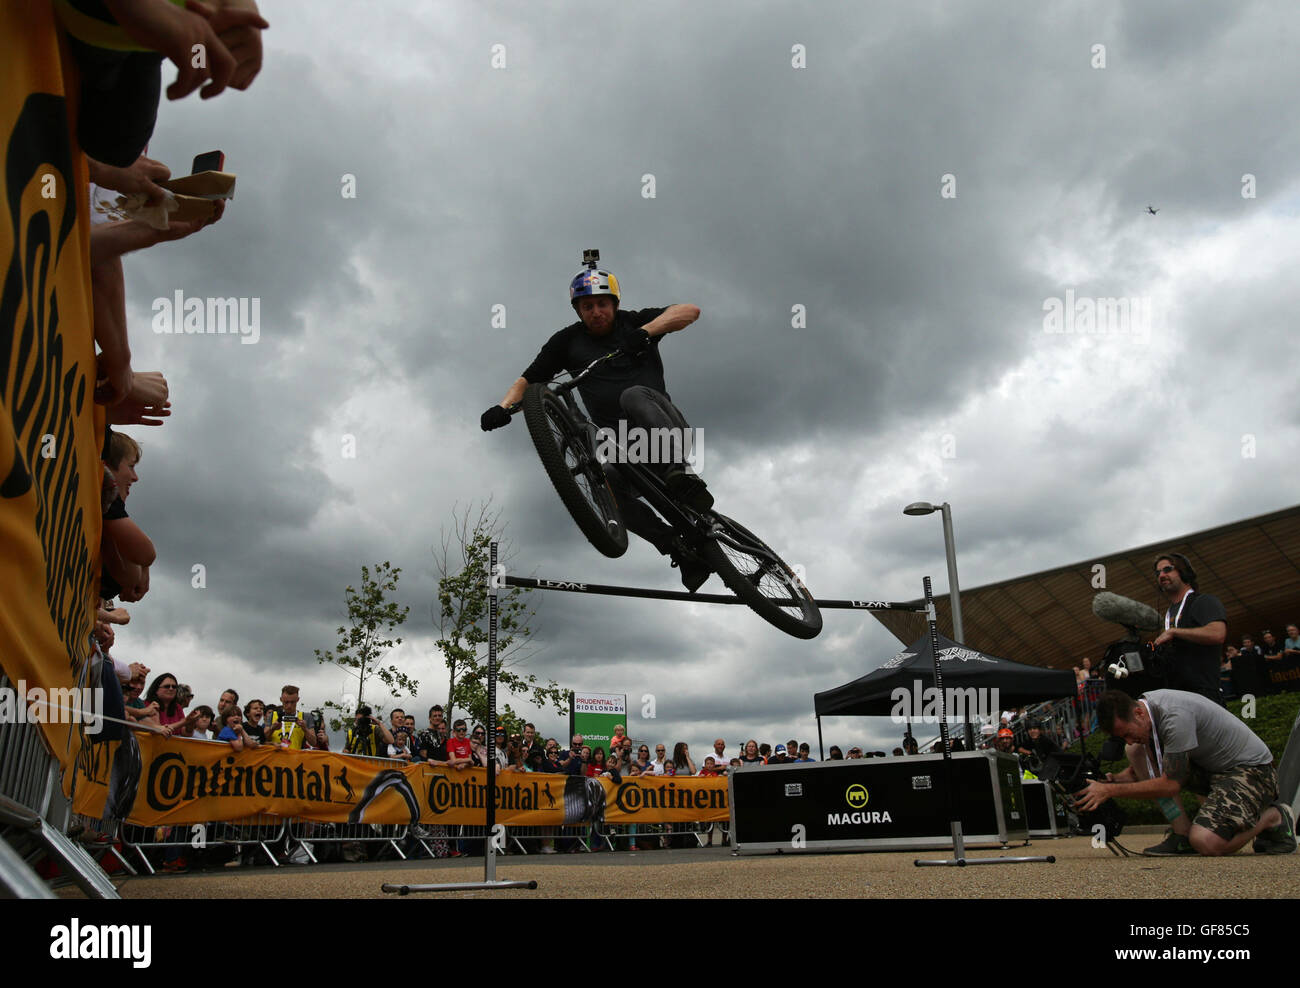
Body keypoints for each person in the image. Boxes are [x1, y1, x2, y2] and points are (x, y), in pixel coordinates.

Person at [480, 251, 711, 591]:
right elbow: (528, 380)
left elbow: (689, 312)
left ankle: (680, 471)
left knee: (632, 395)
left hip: (666, 432)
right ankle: (677, 548)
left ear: (614, 304)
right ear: (578, 310)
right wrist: (503, 407)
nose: (597, 312)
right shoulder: (567, 341)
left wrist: (646, 332)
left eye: (603, 304)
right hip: (625, 450)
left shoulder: (632, 322)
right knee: (607, 485)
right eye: (587, 307)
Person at [1077, 689, 1295, 856]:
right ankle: (1182, 835)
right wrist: (1117, 779)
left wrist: (1110, 790)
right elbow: (1161, 767)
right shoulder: (1149, 710)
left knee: (1205, 842)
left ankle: (1273, 817)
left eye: (1127, 733)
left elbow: (1171, 783)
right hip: (1215, 771)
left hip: (1253, 772)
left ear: (1138, 712)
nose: (1129, 739)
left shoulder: (1174, 718)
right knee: (1135, 750)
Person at [1152, 552, 1227, 704]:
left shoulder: (1203, 601)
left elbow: (1217, 633)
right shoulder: (1168, 614)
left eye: (1167, 569)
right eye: (1158, 572)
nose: (1161, 575)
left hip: (1205, 698)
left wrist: (1174, 632)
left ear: (1184, 572)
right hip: (1177, 699)